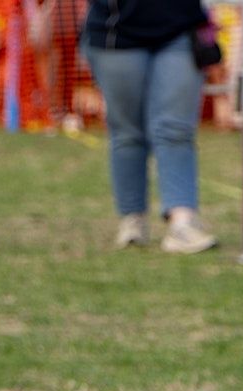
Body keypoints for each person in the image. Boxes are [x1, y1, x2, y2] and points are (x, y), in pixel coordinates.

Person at [82, 0, 217, 254]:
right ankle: (132, 219)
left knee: (175, 129)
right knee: (128, 132)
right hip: (116, 34)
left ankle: (183, 222)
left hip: (181, 29)